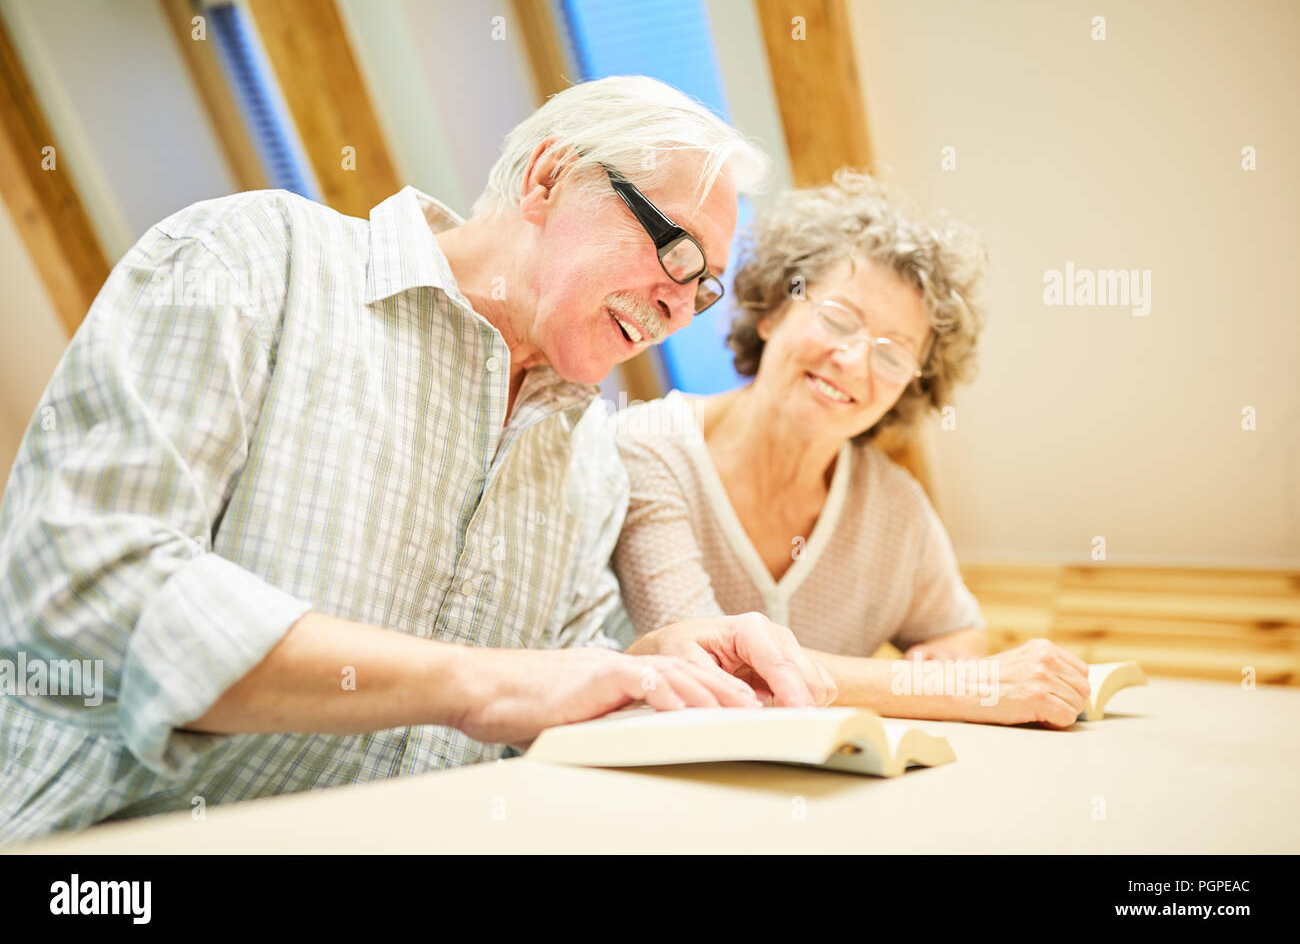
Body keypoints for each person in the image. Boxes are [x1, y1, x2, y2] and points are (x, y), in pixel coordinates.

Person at [0, 76, 835, 844]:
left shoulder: (587, 456)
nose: (680, 304)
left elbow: (550, 680)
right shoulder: (251, 261)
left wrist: (647, 673)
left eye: (704, 288)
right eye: (676, 250)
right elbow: (86, 592)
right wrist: (480, 683)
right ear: (549, 178)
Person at [611, 169, 1090, 727]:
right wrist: (958, 687)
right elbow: (710, 673)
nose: (857, 362)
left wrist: (950, 658)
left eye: (892, 355)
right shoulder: (649, 447)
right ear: (772, 309)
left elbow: (955, 629)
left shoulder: (894, 506)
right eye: (838, 319)